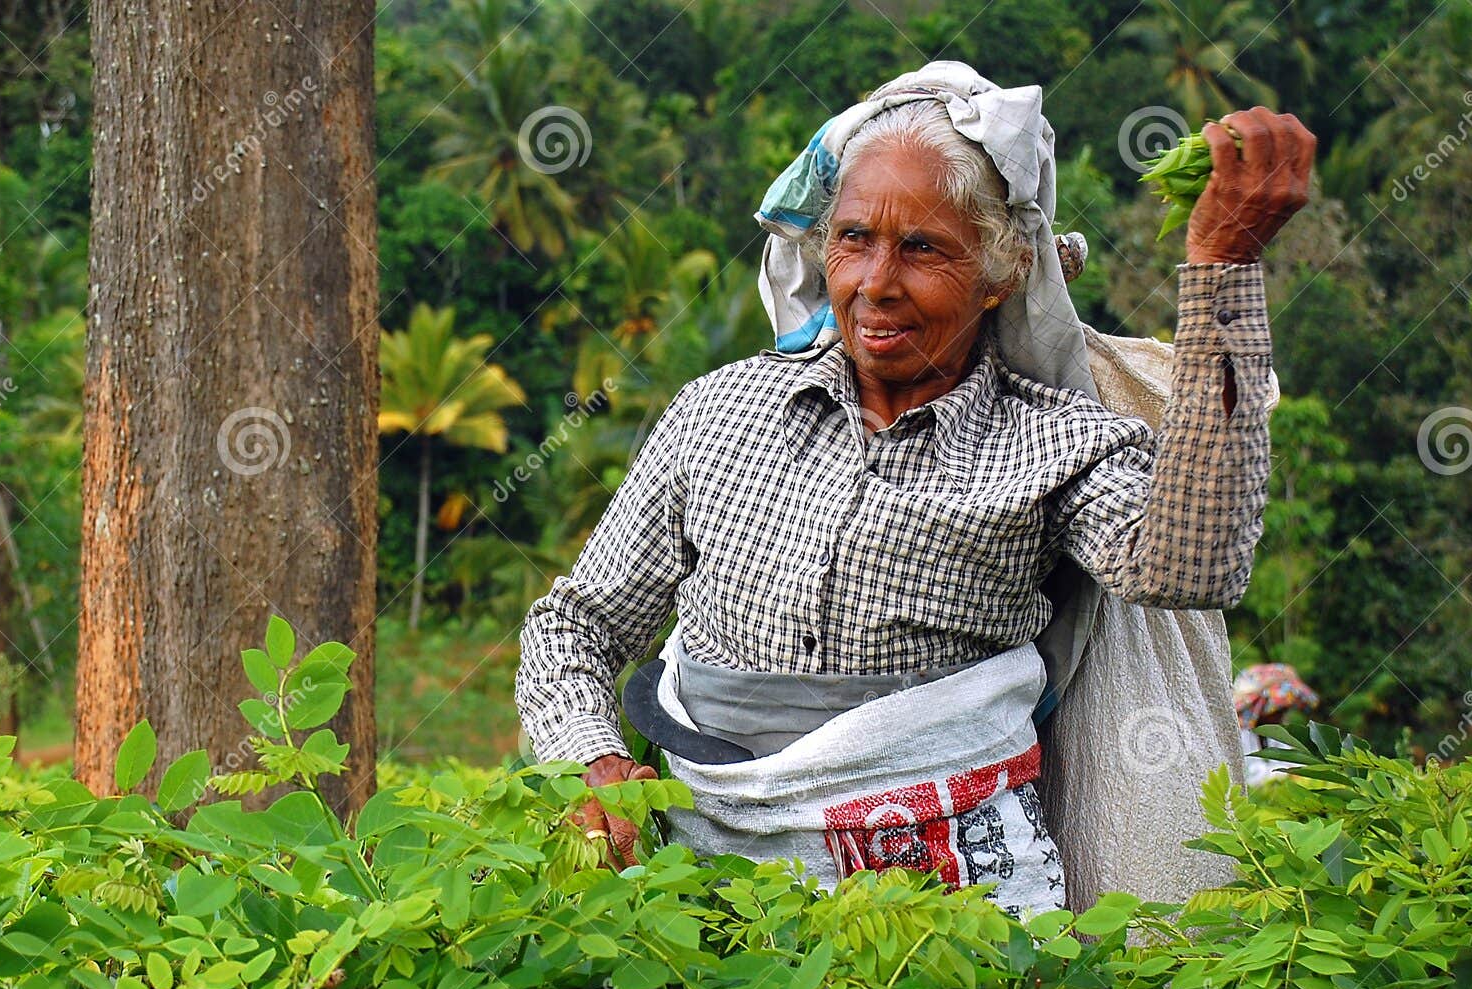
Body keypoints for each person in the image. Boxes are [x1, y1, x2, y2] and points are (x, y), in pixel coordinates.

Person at [515, 61, 1314, 916]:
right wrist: (593, 759)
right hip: (710, 904)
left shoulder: (1053, 442)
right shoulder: (720, 411)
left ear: (1002, 271)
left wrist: (1222, 268)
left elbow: (1192, 568)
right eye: (854, 238)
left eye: (923, 248)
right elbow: (578, 624)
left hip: (953, 927)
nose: (876, 282)